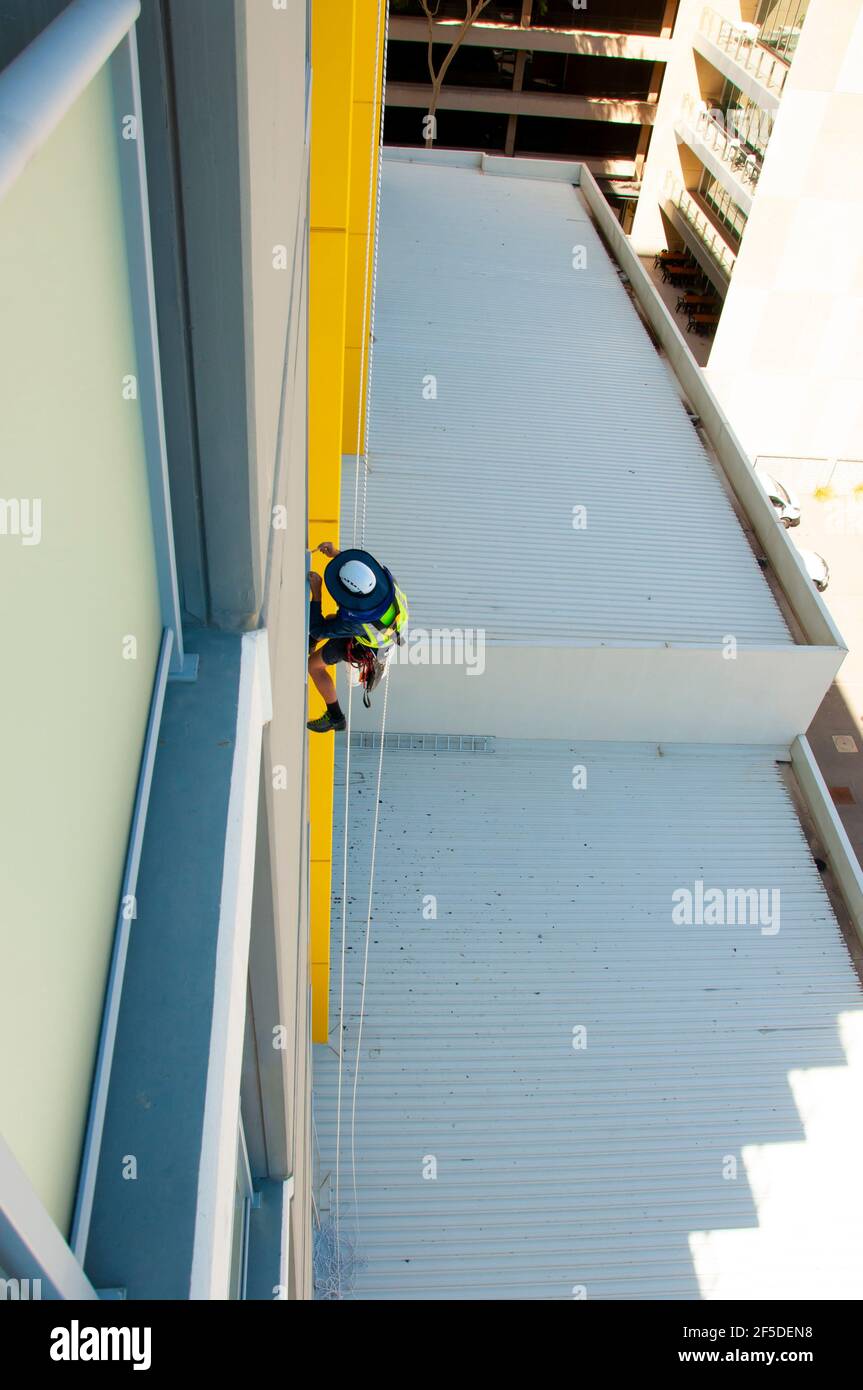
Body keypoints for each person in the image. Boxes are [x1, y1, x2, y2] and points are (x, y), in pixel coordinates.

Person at [307, 541, 408, 733]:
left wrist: (317, 593)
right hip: (384, 631)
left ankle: (336, 717)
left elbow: (317, 630)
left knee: (314, 665)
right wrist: (337, 555)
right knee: (332, 620)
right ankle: (310, 645)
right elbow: (360, 573)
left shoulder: (358, 622)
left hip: (364, 645)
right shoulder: (385, 582)